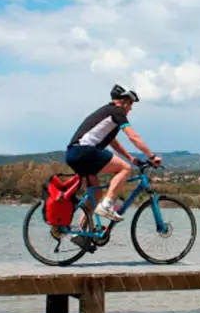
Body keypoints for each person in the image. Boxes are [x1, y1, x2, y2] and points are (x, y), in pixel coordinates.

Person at [65, 84, 162, 222]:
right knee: (125, 168)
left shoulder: (106, 112)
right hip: (85, 152)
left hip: (73, 154)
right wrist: (151, 156)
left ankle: (81, 232)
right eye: (130, 105)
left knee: (96, 193)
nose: (130, 109)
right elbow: (133, 136)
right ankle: (107, 205)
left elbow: (112, 142)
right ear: (124, 101)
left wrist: (130, 157)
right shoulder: (117, 112)